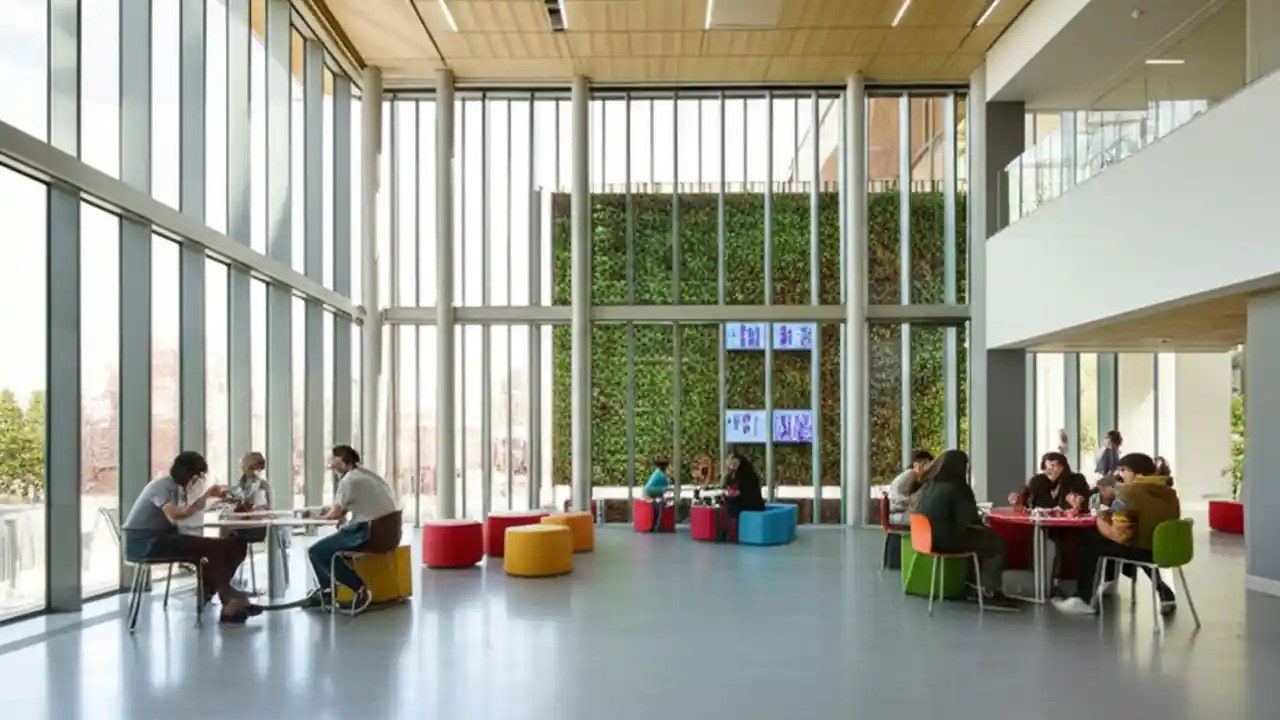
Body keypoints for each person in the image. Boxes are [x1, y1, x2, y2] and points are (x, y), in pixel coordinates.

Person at [121, 451, 261, 624]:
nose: (199, 480)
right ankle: (226, 596)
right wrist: (207, 494)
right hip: (145, 543)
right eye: (199, 475)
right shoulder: (161, 487)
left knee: (228, 546)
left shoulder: (177, 489)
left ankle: (225, 597)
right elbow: (176, 515)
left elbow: (188, 513)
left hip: (162, 539)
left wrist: (209, 497)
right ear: (190, 474)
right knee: (212, 548)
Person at [1053, 453, 1180, 616]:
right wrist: (1110, 513)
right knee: (1136, 540)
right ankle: (1163, 591)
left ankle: (1084, 599)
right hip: (1165, 550)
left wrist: (1098, 516)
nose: (1120, 474)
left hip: (1144, 551)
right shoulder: (1169, 492)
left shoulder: (1131, 492)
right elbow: (1137, 517)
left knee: (1088, 540)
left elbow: (1118, 535)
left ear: (1138, 473)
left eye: (1124, 470)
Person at [913, 449, 1018, 610]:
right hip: (944, 540)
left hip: (924, 539)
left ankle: (971, 585)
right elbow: (969, 520)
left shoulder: (929, 486)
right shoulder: (958, 487)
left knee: (974, 540)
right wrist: (984, 525)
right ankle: (989, 592)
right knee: (995, 544)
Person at [304, 445, 401, 614]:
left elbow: (335, 514)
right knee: (332, 548)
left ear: (341, 460)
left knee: (317, 551)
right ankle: (329, 590)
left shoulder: (349, 480)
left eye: (332, 460)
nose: (330, 465)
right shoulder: (367, 475)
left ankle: (350, 590)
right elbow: (353, 505)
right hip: (389, 532)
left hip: (369, 532)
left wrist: (313, 519)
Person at [1010, 452, 1091, 510]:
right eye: (1046, 466)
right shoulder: (1036, 481)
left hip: (1069, 527)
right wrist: (1017, 499)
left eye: (1053, 465)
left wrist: (1078, 503)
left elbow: (1085, 501)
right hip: (1041, 524)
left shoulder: (1076, 480)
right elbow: (1024, 498)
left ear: (1062, 467)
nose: (1049, 469)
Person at [719, 452, 766, 540]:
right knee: (725, 502)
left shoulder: (749, 475)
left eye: (734, 463)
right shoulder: (730, 475)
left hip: (751, 502)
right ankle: (725, 529)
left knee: (731, 503)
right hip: (738, 500)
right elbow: (725, 487)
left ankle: (731, 531)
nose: (731, 465)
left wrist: (735, 493)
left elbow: (748, 492)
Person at [887, 450, 934, 525]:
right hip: (898, 514)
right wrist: (910, 501)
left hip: (903, 513)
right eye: (924, 464)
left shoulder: (917, 479)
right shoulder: (910, 474)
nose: (926, 468)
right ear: (916, 464)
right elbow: (896, 495)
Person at [642, 458, 671, 532]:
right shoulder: (661, 475)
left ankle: (654, 526)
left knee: (655, 510)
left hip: (649, 493)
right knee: (659, 510)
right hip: (652, 493)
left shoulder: (657, 473)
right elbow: (665, 487)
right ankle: (657, 527)